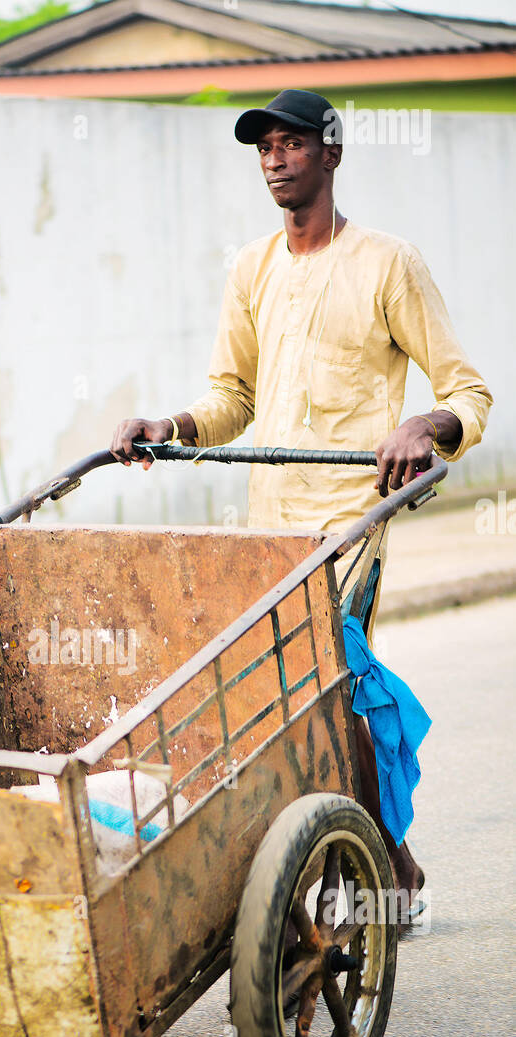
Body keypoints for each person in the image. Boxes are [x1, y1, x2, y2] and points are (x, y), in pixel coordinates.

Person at [109, 88, 492, 917]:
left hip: (351, 524)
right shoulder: (250, 267)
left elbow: (466, 389)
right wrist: (167, 424)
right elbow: (231, 399)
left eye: (290, 144)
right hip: (268, 525)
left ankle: (383, 869)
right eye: (262, 149)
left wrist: (422, 425)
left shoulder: (388, 263)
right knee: (280, 705)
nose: (274, 159)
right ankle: (386, 862)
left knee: (332, 691)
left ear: (331, 154)